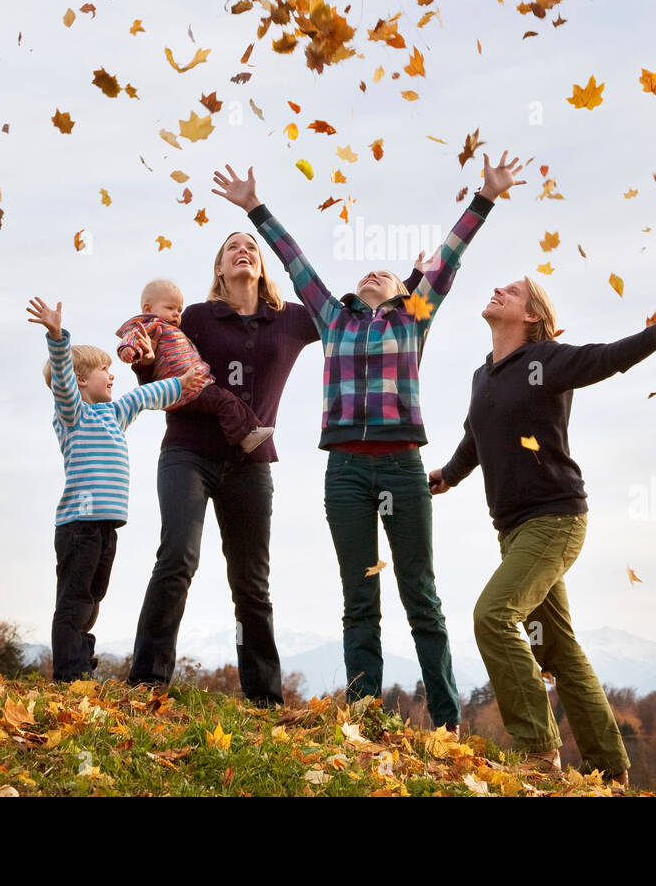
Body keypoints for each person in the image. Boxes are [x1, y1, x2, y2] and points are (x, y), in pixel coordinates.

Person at [212, 153, 526, 733]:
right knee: (360, 600)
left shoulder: (414, 317)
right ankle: (365, 719)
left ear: (401, 288)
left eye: (383, 274)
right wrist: (255, 207)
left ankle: (447, 721)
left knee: (421, 597)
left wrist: (485, 197)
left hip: (405, 470)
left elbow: (450, 258)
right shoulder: (333, 317)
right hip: (348, 474)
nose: (371, 275)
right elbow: (295, 261)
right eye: (365, 274)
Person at [429, 277, 656, 781]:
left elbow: (603, 359)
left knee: (493, 616)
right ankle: (609, 768)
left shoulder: (545, 360)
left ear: (532, 316)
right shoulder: (484, 375)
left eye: (513, 291)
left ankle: (538, 750)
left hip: (555, 519)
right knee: (557, 648)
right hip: (513, 529)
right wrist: (448, 477)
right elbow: (476, 437)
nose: (498, 290)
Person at [125, 230, 319, 704]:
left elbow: (336, 314)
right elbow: (161, 367)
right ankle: (147, 684)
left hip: (251, 463)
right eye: (233, 246)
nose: (243, 250)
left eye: (251, 246)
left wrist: (405, 286)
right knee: (177, 558)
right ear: (219, 267)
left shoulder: (289, 321)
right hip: (188, 452)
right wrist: (142, 365)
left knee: (251, 582)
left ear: (262, 265)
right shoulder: (194, 317)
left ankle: (264, 699)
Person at [26, 295, 207, 683]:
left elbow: (145, 397)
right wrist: (58, 337)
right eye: (105, 370)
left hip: (107, 525)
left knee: (92, 600)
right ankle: (69, 675)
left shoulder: (113, 412)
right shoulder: (72, 413)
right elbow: (61, 378)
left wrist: (181, 382)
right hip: (79, 526)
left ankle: (82, 662)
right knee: (74, 601)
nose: (112, 375)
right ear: (80, 380)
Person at [114, 276, 274, 454]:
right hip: (183, 387)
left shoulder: (170, 328)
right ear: (148, 309)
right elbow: (132, 336)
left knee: (226, 398)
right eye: (170, 308)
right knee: (224, 400)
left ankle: (252, 430)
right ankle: (243, 437)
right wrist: (127, 349)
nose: (176, 314)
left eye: (179, 310)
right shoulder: (151, 324)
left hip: (188, 386)